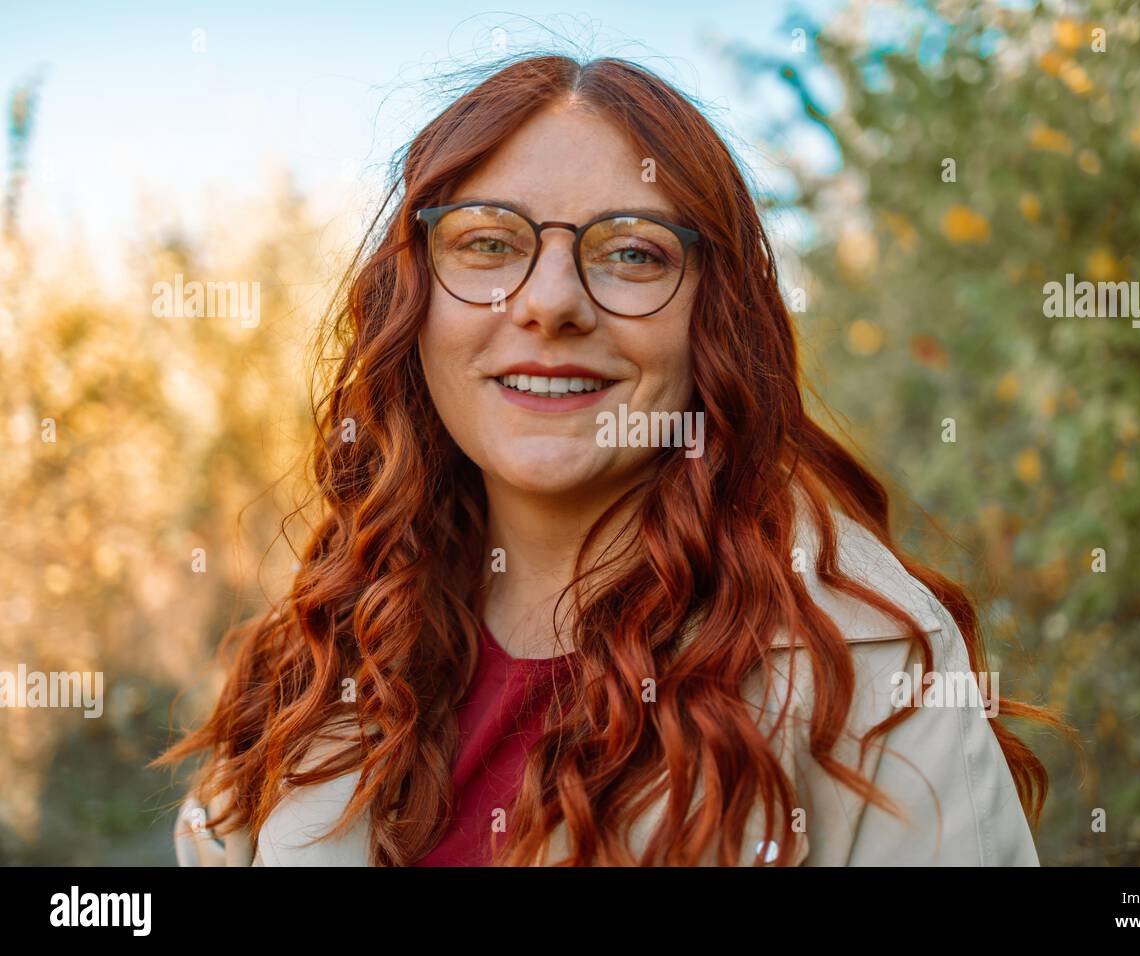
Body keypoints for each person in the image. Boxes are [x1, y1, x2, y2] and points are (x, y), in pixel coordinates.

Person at [158, 53, 1062, 867]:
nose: (551, 303)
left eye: (632, 253)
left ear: (716, 319)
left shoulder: (861, 661)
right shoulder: (325, 635)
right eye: (488, 243)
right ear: (415, 302)